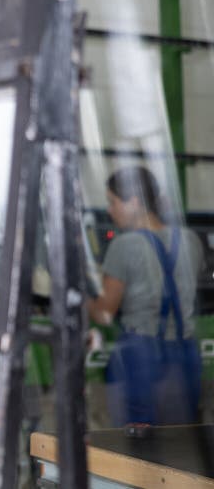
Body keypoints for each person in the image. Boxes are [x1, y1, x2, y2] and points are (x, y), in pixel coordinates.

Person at [87, 165, 203, 427]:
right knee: (180, 440)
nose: (110, 209)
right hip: (186, 354)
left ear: (135, 201)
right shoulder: (190, 240)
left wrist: (79, 298)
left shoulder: (124, 245)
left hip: (141, 356)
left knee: (137, 446)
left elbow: (105, 314)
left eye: (113, 202)